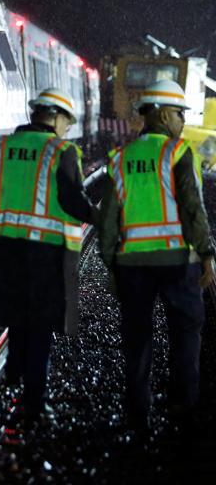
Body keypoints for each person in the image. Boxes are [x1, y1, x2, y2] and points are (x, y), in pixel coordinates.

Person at [0, 88, 97, 417]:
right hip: (43, 255)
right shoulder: (61, 151)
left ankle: (13, 378)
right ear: (53, 116)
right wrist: (103, 216)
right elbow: (73, 202)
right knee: (38, 325)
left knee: (14, 319)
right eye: (66, 120)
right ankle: (34, 401)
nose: (66, 127)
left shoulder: (0, 147)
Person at [99, 79, 216, 430]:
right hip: (178, 262)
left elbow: (108, 220)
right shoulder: (179, 153)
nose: (183, 120)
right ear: (164, 114)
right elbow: (193, 210)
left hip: (132, 266)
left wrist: (111, 265)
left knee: (137, 336)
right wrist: (207, 255)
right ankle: (182, 405)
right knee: (186, 331)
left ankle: (138, 410)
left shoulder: (119, 158)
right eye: (180, 113)